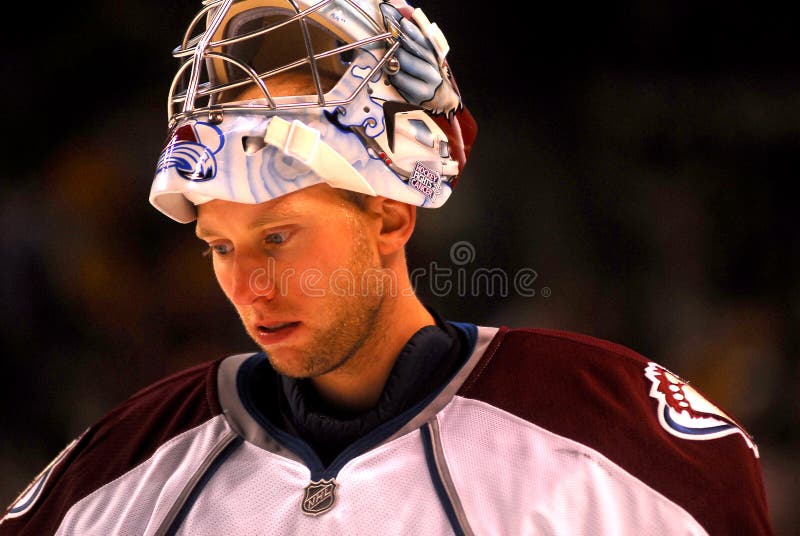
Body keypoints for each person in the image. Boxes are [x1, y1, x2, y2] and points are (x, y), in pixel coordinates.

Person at [1, 0, 773, 534]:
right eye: (219, 245)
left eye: (278, 236)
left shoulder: (610, 447)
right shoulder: (117, 476)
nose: (246, 286)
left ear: (391, 214)